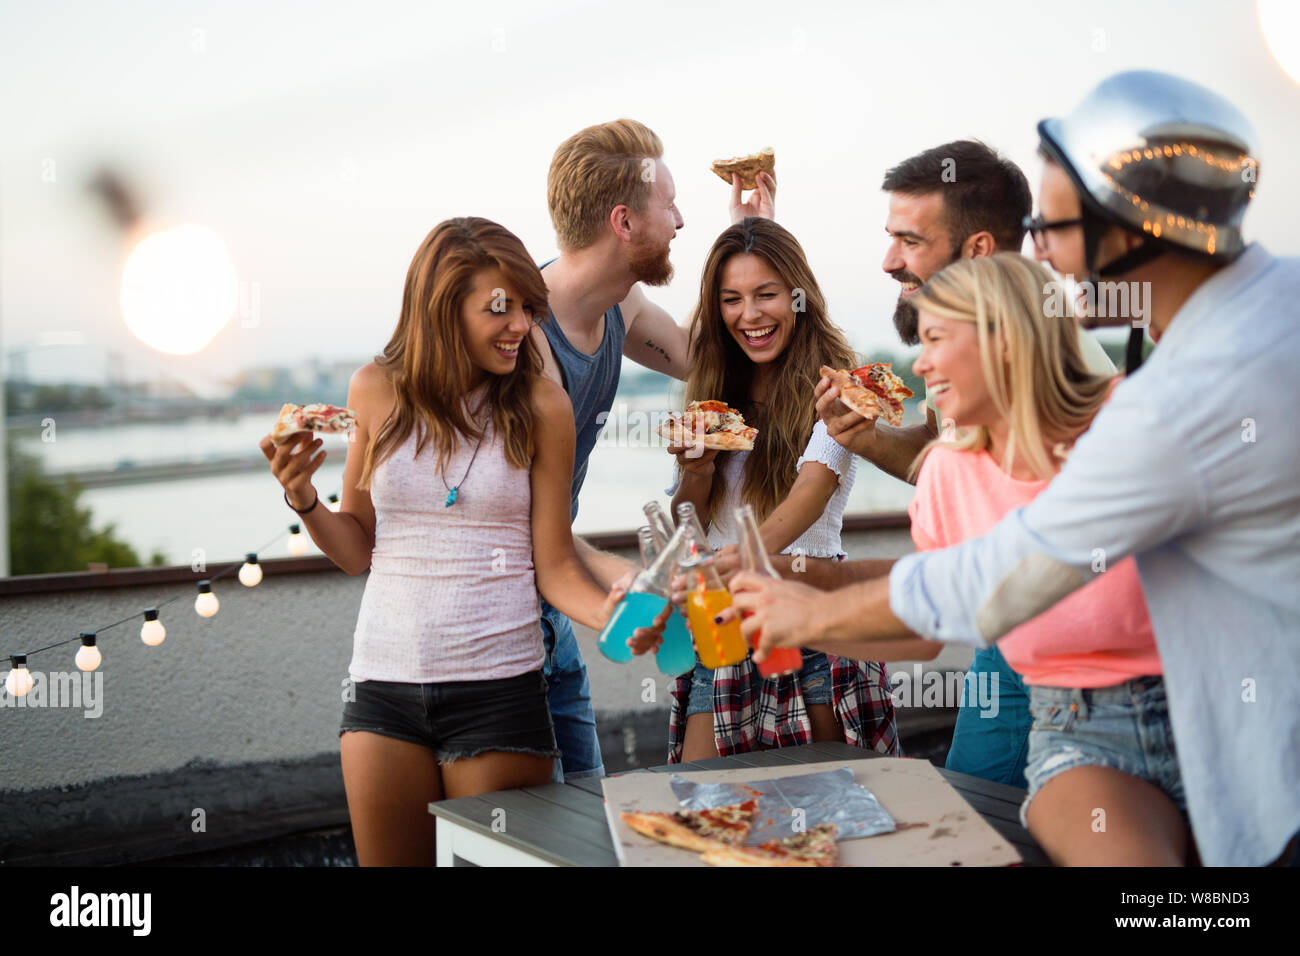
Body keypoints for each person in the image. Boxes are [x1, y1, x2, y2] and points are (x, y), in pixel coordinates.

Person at [727, 71, 1300, 867]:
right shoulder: (1274, 311)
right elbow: (965, 519)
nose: (1048, 254)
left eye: (1055, 226)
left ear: (1131, 227)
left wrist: (803, 612)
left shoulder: (1170, 403)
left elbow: (1010, 567)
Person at [258, 217, 620, 865]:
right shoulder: (373, 390)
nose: (521, 327)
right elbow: (356, 550)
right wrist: (303, 497)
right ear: (443, 305)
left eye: (529, 310)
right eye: (500, 309)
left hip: (501, 693)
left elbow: (556, 564)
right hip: (382, 695)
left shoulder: (543, 406)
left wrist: (611, 613)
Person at [862, 252, 1183, 864]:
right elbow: (927, 623)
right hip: (1079, 726)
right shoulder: (945, 473)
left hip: (1211, 698)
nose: (920, 362)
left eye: (934, 339)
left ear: (1004, 340)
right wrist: (784, 619)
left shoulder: (1134, 419)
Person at [529, 118, 776, 781]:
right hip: (497, 630)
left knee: (586, 816)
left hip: (553, 614)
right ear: (624, 223)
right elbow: (519, 528)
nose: (681, 221)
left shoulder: (621, 305)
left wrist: (743, 236)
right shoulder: (522, 338)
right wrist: (629, 582)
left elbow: (709, 357)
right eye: (669, 204)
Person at [656, 217, 898, 763]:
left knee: (831, 815)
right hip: (721, 630)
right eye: (731, 299)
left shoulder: (837, 386)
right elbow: (687, 523)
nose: (750, 315)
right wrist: (697, 472)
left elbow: (808, 496)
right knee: (702, 810)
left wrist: (735, 561)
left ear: (797, 297)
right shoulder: (712, 398)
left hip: (813, 620)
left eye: (766, 295)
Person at [815, 139, 1116, 483]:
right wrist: (864, 438)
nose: (889, 263)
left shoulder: (1048, 367)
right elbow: (943, 444)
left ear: (977, 250)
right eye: (891, 238)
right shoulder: (958, 337)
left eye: (910, 242)